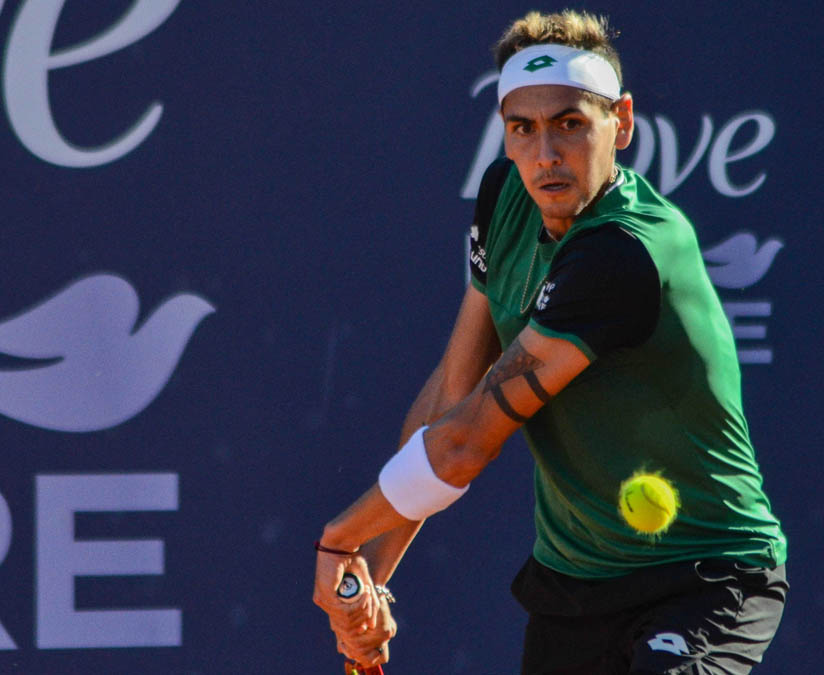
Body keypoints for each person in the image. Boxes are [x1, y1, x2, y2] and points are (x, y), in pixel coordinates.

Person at [313, 10, 788, 674]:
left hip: (702, 578)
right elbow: (455, 392)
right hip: (574, 584)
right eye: (523, 129)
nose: (545, 155)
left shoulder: (625, 252)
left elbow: (467, 440)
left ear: (620, 121)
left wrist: (342, 540)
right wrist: (373, 580)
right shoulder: (505, 197)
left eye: (570, 123)